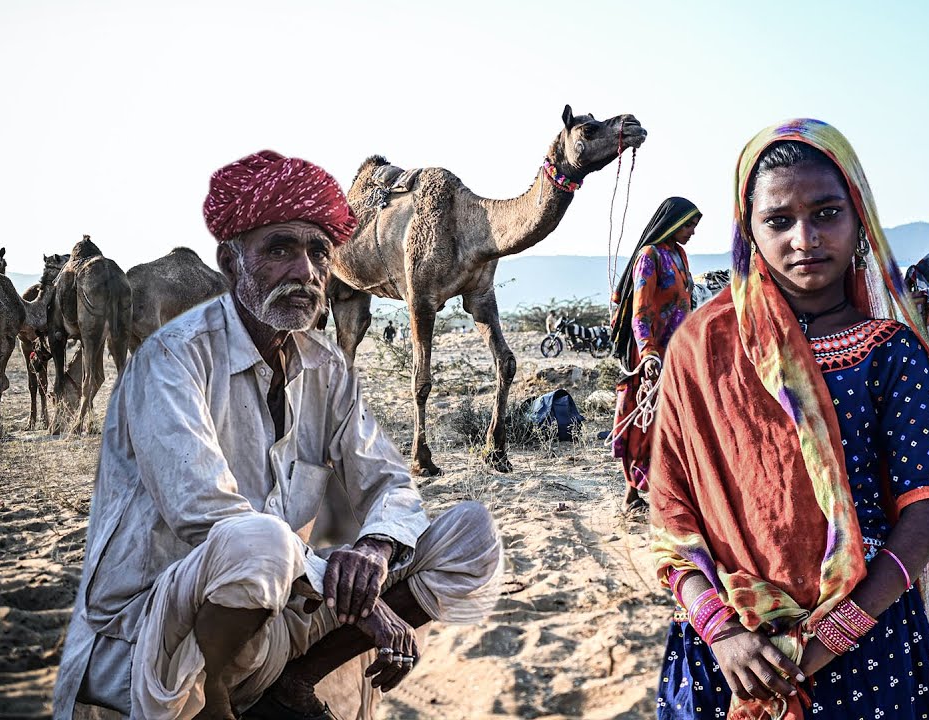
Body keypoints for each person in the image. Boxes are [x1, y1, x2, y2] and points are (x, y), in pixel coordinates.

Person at [52, 150, 503, 720]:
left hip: (275, 619)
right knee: (256, 542)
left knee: (472, 535)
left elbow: (391, 484)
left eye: (318, 252)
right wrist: (353, 598)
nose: (305, 272)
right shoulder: (173, 360)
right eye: (280, 249)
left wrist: (374, 549)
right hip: (158, 637)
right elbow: (211, 517)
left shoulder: (326, 368)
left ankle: (294, 686)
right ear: (230, 262)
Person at [648, 120, 929, 720]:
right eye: (779, 220)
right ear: (749, 231)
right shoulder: (701, 345)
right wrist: (723, 631)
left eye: (827, 213)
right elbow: (671, 512)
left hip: (866, 641)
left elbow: (923, 511)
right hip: (730, 650)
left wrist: (831, 637)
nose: (804, 238)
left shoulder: (891, 351)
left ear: (859, 217)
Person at [609, 197, 701, 513]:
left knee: (675, 422)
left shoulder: (680, 255)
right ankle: (632, 494)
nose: (692, 231)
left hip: (679, 355)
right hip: (653, 356)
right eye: (688, 224)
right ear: (673, 222)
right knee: (645, 423)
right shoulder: (649, 257)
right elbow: (641, 311)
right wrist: (648, 353)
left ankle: (669, 493)